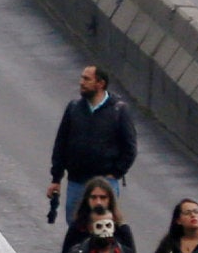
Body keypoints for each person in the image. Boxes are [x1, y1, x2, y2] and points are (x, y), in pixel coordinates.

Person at [49, 63, 139, 216]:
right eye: (82, 78)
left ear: (100, 83)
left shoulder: (118, 110)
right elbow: (61, 145)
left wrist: (116, 172)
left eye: (86, 79)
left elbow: (130, 148)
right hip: (76, 182)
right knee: (75, 227)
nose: (81, 82)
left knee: (103, 226)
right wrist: (56, 178)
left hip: (105, 183)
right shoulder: (74, 108)